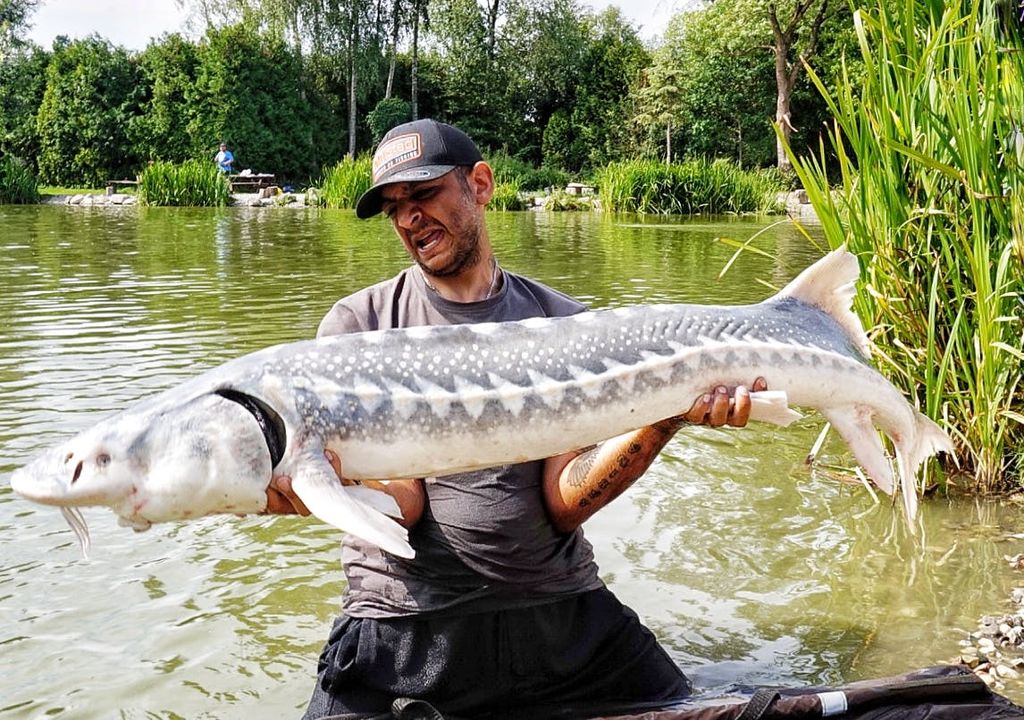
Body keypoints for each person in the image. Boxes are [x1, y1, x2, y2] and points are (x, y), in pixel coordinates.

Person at [266, 119, 766, 720]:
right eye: (394, 208)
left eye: (423, 194)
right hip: (407, 627)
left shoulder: (564, 323)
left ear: (480, 185)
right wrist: (326, 485)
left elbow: (564, 501)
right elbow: (406, 502)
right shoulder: (360, 327)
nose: (409, 219)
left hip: (559, 617)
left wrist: (666, 416)